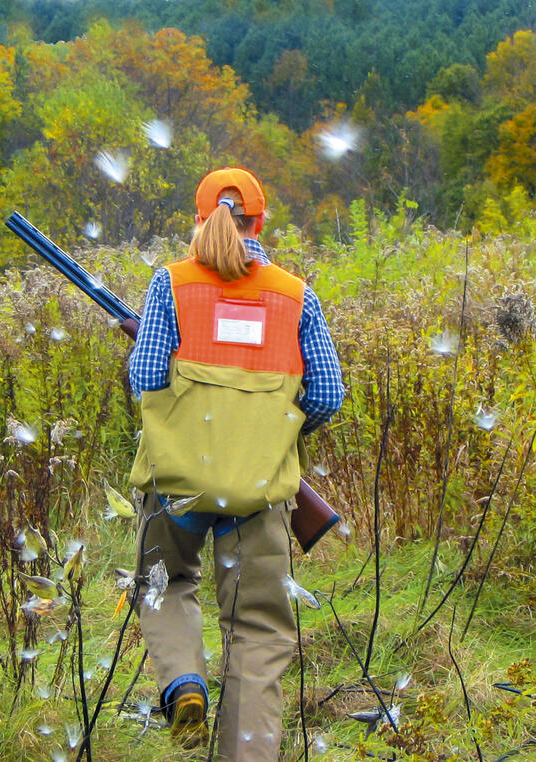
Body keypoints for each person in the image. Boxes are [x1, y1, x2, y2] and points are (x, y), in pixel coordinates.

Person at [128, 167, 344, 761]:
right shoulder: (295, 294)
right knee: (256, 628)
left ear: (198, 218)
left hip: (175, 486)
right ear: (261, 220)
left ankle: (184, 684)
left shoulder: (170, 284)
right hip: (257, 494)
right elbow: (326, 395)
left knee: (164, 583)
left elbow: (146, 379)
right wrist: (265, 434)